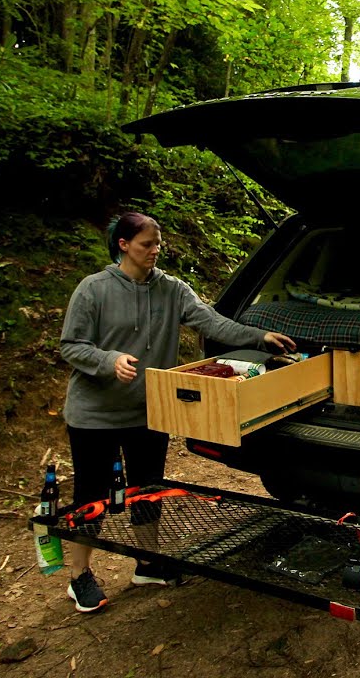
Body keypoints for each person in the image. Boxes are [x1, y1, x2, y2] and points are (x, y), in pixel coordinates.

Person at [58, 211, 296, 613]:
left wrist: (259, 337)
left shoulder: (171, 289)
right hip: (94, 414)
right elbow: (72, 346)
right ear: (123, 245)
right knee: (91, 494)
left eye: (158, 244)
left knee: (148, 487)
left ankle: (148, 563)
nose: (154, 251)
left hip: (151, 409)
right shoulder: (93, 289)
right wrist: (109, 360)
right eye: (146, 244)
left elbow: (212, 322)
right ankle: (80, 575)